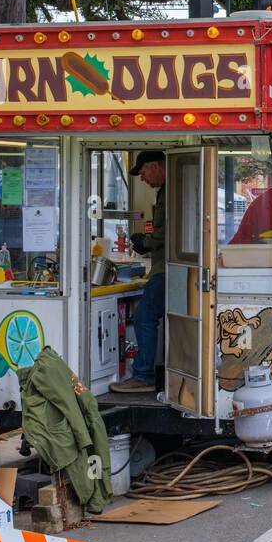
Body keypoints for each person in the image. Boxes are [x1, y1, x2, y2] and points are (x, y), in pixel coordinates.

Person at [112, 151, 167, 392]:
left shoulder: (169, 193)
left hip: (165, 269)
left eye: (143, 172)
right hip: (168, 268)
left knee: (144, 317)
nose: (142, 178)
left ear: (154, 166)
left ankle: (143, 376)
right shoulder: (167, 191)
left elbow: (162, 235)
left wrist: (144, 242)